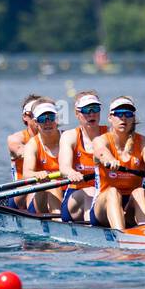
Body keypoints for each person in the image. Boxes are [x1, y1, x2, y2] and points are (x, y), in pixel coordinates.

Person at [90, 96, 145, 230]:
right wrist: (109, 160)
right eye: (118, 114)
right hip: (103, 207)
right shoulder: (100, 140)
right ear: (110, 118)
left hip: (131, 207)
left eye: (128, 114)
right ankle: (121, 235)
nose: (123, 118)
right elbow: (101, 152)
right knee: (112, 192)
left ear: (133, 118)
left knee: (140, 191)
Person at [58, 91, 104, 224]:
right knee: (89, 191)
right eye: (86, 110)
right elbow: (64, 167)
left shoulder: (110, 135)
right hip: (76, 196)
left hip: (104, 195)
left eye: (95, 109)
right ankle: (93, 233)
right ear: (77, 114)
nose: (91, 114)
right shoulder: (69, 136)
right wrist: (71, 172)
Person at [20, 100, 64, 215]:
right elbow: (26, 173)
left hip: (68, 193)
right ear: (36, 122)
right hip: (41, 198)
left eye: (51, 117)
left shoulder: (67, 138)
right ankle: (59, 220)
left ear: (57, 119)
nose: (47, 122)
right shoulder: (32, 144)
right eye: (42, 119)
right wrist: (36, 174)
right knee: (52, 184)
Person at [7, 94, 48, 210]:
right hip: (21, 193)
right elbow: (28, 154)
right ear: (25, 117)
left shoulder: (59, 137)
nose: (38, 118)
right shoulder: (15, 139)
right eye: (34, 114)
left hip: (50, 185)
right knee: (37, 187)